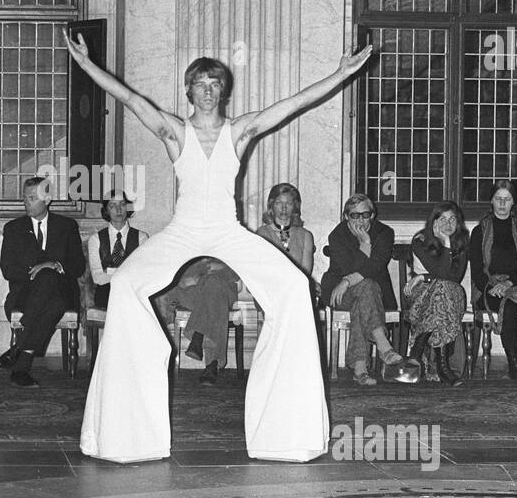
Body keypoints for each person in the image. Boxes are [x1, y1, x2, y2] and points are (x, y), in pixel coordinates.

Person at [68, 29, 372, 462]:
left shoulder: (239, 131)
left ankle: (287, 432)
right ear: (189, 90)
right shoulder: (175, 132)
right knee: (126, 283)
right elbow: (133, 100)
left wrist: (340, 74)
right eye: (200, 85)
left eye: (215, 85)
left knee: (291, 284)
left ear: (223, 92)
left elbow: (293, 103)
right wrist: (87, 66)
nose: (208, 92)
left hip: (228, 230)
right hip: (184, 230)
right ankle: (125, 433)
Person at [0, 176, 86, 388]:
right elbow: (7, 269)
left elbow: (77, 267)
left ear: (47, 200)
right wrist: (38, 271)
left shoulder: (67, 226)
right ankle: (21, 362)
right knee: (53, 299)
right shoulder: (13, 228)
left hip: (62, 291)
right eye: (24, 198)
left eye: (32, 198)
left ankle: (18, 350)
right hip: (26, 293)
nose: (26, 203)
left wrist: (54, 266)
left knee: (51, 285)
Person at [320, 194, 410, 386]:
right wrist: (364, 244)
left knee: (366, 290)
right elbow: (348, 268)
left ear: (373, 215)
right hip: (338, 292)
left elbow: (377, 265)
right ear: (346, 217)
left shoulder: (385, 233)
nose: (360, 220)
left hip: (371, 293)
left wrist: (348, 281)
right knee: (365, 287)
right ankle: (384, 346)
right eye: (354, 215)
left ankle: (360, 369)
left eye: (365, 214)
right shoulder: (337, 235)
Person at [469, 180, 517, 383]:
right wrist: (493, 287)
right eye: (498, 199)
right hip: (489, 288)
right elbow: (476, 269)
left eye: (507, 199)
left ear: (513, 202)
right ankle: (514, 364)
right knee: (507, 307)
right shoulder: (479, 231)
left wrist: (510, 283)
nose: (502, 203)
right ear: (491, 201)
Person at [406, 202, 469, 386]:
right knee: (441, 291)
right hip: (422, 296)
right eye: (442, 219)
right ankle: (443, 367)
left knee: (444, 289)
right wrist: (427, 279)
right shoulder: (420, 240)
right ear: (433, 222)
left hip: (453, 293)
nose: (448, 224)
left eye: (452, 219)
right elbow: (441, 274)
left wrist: (423, 276)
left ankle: (418, 348)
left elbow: (454, 278)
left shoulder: (462, 242)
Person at [154, 257, 240, 385]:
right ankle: (212, 363)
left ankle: (198, 337)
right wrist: (191, 278)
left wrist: (218, 268)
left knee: (213, 285)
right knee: (211, 293)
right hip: (192, 292)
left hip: (222, 291)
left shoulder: (228, 244)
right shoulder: (188, 244)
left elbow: (237, 272)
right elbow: (175, 273)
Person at [255, 182, 316, 303]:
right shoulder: (262, 233)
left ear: (295, 206)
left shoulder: (305, 236)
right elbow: (262, 272)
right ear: (271, 205)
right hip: (269, 293)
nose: (284, 208)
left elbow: (305, 273)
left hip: (295, 293)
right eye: (279, 203)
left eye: (288, 203)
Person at [87, 193, 148, 309]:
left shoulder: (141, 238)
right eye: (112, 205)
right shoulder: (95, 239)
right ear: (106, 210)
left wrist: (109, 271)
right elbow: (97, 277)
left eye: (122, 204)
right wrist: (126, 272)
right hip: (106, 292)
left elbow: (141, 274)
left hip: (132, 291)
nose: (118, 209)